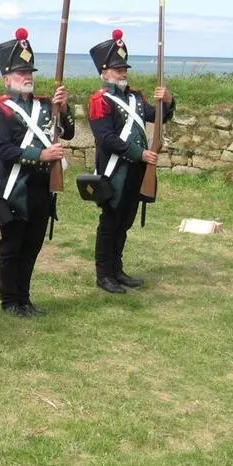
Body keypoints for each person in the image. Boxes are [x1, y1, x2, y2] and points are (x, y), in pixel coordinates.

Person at [0, 27, 73, 317]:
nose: (27, 76)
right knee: (12, 246)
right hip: (14, 186)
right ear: (7, 78)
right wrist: (40, 155)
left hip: (41, 187)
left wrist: (65, 107)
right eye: (21, 72)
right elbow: (5, 150)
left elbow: (68, 132)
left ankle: (24, 297)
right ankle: (10, 300)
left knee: (33, 244)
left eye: (29, 71)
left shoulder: (46, 105)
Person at [86, 29, 174, 294]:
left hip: (136, 172)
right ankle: (104, 274)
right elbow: (106, 138)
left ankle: (117, 269)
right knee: (110, 222)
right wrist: (140, 154)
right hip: (114, 172)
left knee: (125, 222)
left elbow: (157, 117)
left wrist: (167, 101)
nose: (122, 73)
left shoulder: (135, 98)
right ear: (104, 72)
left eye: (124, 68)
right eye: (117, 68)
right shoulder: (99, 101)